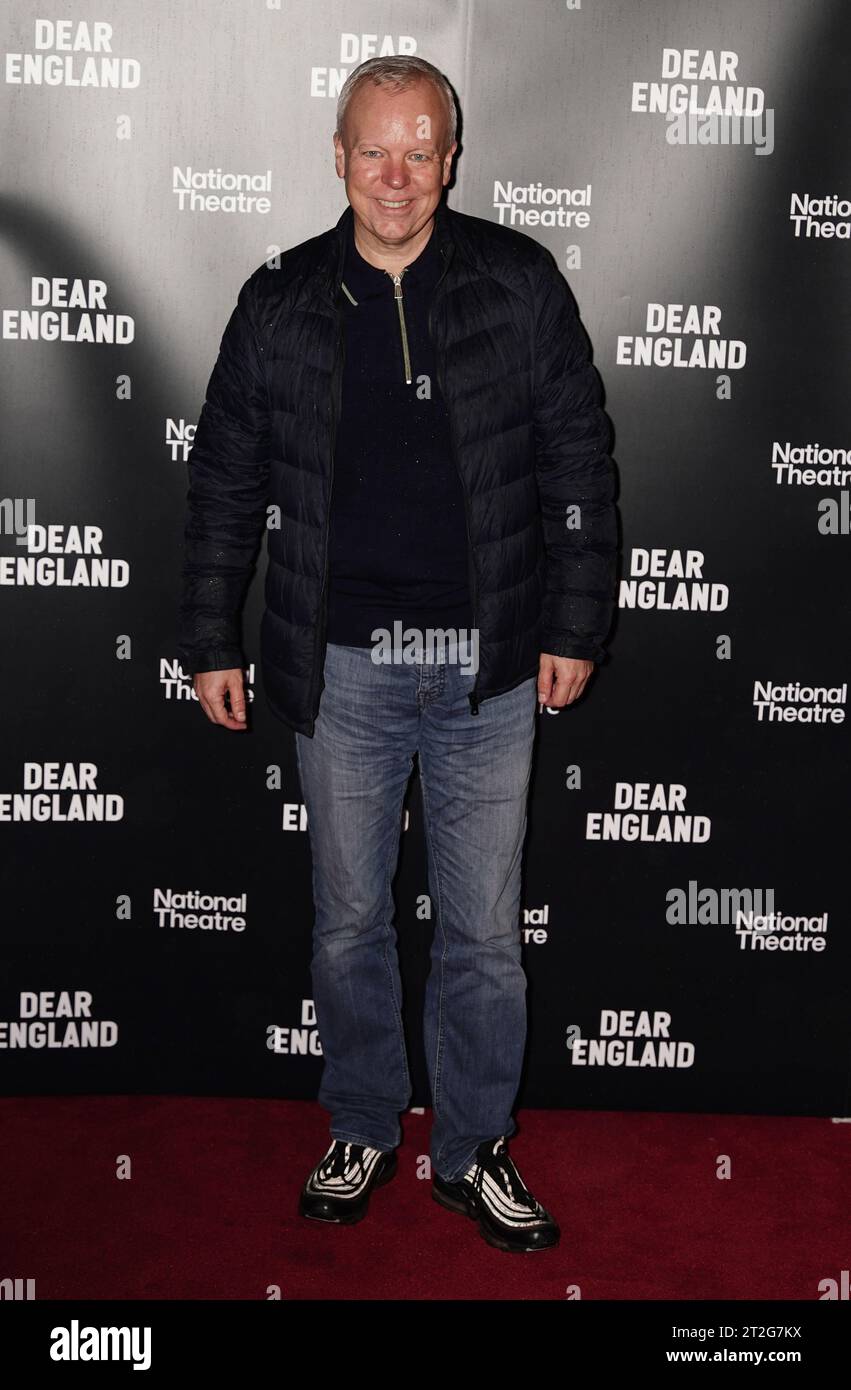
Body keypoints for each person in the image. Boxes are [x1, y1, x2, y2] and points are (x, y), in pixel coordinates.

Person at [178, 55, 618, 1254]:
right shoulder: (278, 301)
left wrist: (575, 622)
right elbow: (224, 480)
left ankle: (472, 1147)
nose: (396, 176)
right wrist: (211, 631)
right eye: (375, 148)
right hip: (342, 671)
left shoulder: (518, 285)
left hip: (489, 672)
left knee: (481, 932)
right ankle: (365, 1121)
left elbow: (577, 461)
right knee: (346, 924)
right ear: (336, 154)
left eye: (421, 149)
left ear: (452, 158)